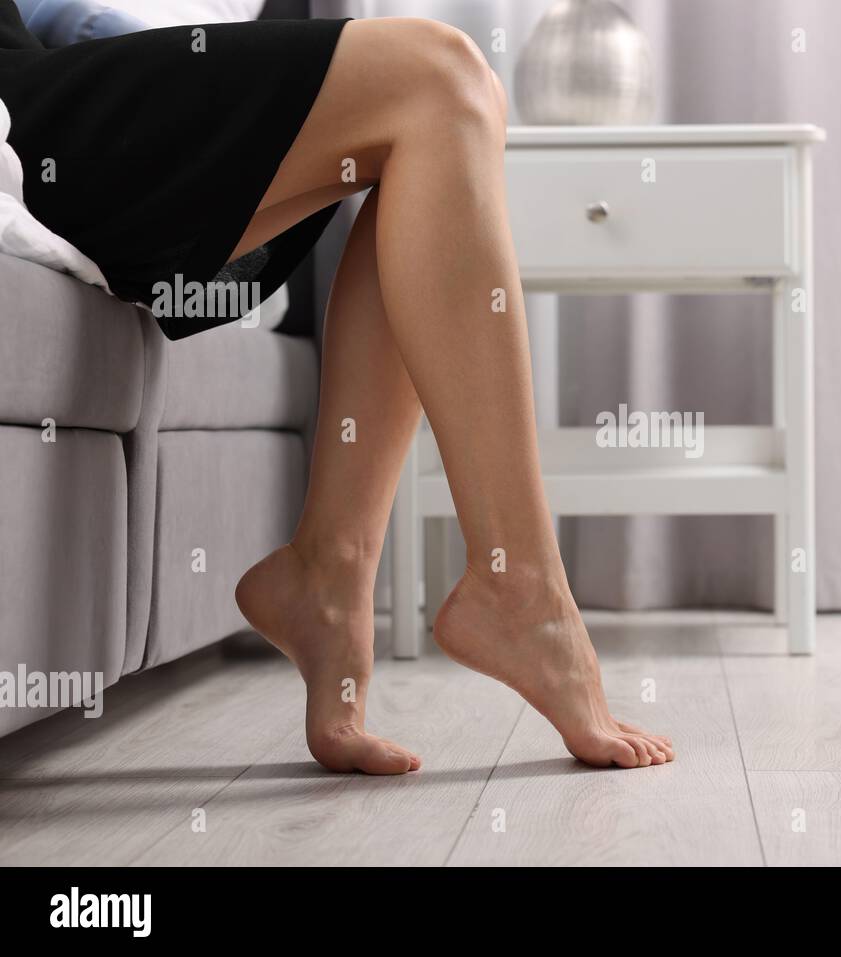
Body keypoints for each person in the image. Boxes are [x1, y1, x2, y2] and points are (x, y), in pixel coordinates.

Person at [0, 2, 674, 772]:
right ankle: (520, 587)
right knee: (442, 79)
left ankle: (332, 573)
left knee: (450, 108)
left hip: (56, 90)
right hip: (27, 120)